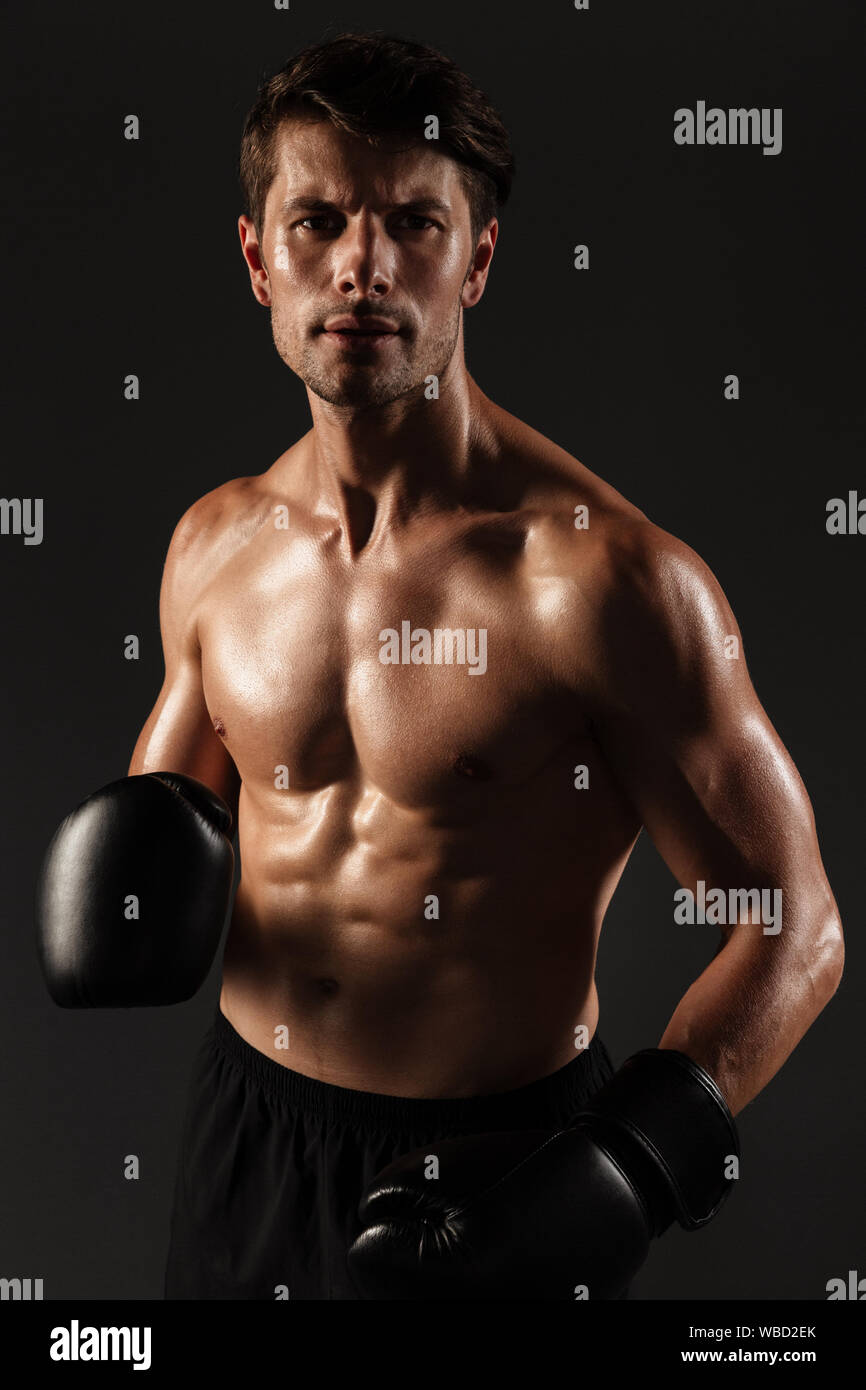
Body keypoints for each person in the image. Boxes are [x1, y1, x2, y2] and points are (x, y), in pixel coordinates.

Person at [37, 31, 843, 1301]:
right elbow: (169, 832)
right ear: (257, 260)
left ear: (477, 259)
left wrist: (628, 1164)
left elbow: (793, 925)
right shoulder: (214, 546)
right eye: (316, 221)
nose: (361, 266)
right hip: (251, 1142)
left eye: (414, 222)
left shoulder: (607, 583)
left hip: (497, 1174)